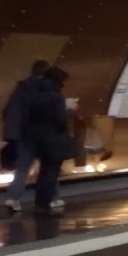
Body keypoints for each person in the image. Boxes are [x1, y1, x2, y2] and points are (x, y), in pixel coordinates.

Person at [1, 59, 50, 212]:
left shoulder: (21, 88)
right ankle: (52, 198)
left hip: (23, 135)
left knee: (22, 168)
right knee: (49, 166)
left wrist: (14, 133)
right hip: (41, 134)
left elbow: (7, 112)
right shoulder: (44, 88)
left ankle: (13, 197)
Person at [23, 66, 74, 214]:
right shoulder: (56, 97)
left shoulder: (34, 95)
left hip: (39, 139)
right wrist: (70, 111)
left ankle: (40, 201)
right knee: (52, 171)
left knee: (44, 171)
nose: (63, 84)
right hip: (54, 139)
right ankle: (46, 202)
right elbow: (60, 120)